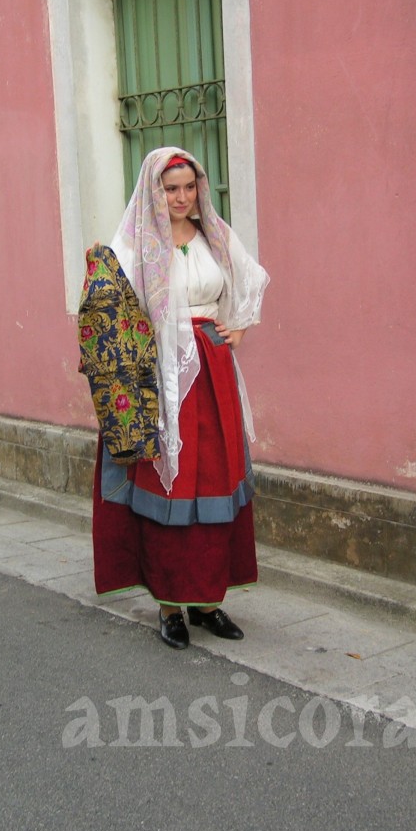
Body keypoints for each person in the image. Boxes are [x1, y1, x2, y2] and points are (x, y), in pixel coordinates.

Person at [79, 146, 269, 650]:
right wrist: (98, 266)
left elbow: (250, 279)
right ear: (154, 191)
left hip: (213, 374)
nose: (181, 197)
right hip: (161, 382)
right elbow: (106, 301)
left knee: (215, 484)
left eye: (188, 187)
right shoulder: (135, 245)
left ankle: (208, 602)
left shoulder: (215, 236)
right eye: (171, 188)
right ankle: (169, 606)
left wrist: (239, 326)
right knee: (171, 490)